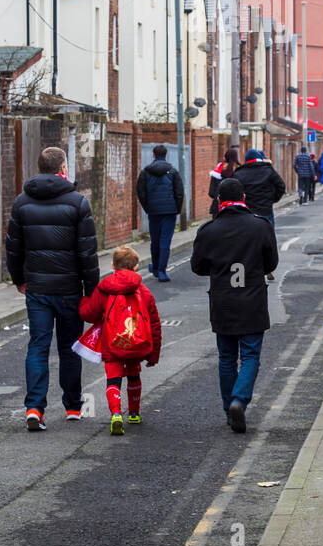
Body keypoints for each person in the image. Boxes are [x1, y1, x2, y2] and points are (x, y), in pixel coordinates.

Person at [6, 145, 100, 430]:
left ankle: (34, 407)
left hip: (37, 289)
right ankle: (72, 407)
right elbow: (88, 253)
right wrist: (92, 290)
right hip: (70, 288)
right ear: (63, 169)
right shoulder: (77, 202)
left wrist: (18, 278)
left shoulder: (22, 202)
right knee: (70, 348)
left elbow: (13, 247)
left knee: (38, 346)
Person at [190, 177, 278, 432]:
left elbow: (197, 267)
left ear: (219, 201)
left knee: (227, 357)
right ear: (244, 198)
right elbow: (271, 264)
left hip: (223, 300)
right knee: (250, 355)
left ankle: (230, 408)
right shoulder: (260, 226)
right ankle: (240, 400)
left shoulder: (209, 230)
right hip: (252, 300)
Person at [78, 245, 162, 435]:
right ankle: (134, 412)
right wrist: (153, 354)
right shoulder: (144, 291)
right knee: (134, 375)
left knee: (113, 380)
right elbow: (155, 324)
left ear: (113, 266)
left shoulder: (105, 288)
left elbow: (89, 314)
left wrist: (83, 301)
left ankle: (116, 414)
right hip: (137, 343)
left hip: (113, 343)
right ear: (135, 267)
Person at [231, 149, 286, 280]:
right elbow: (281, 186)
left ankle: (247, 268)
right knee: (267, 240)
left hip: (246, 213)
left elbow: (233, 191)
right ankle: (267, 267)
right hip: (265, 212)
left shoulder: (239, 173)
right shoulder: (268, 170)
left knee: (246, 241)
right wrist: (272, 199)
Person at [136, 144, 184, 282]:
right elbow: (179, 192)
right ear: (166, 155)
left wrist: (148, 208)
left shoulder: (145, 172)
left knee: (155, 240)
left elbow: (141, 192)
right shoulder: (173, 172)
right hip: (169, 211)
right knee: (165, 241)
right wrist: (177, 209)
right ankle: (162, 270)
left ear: (153, 155)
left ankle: (156, 267)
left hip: (154, 211)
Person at [208, 146, 239, 216]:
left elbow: (211, 193)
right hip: (235, 209)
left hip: (218, 208)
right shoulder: (240, 171)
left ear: (226, 157)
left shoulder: (217, 171)